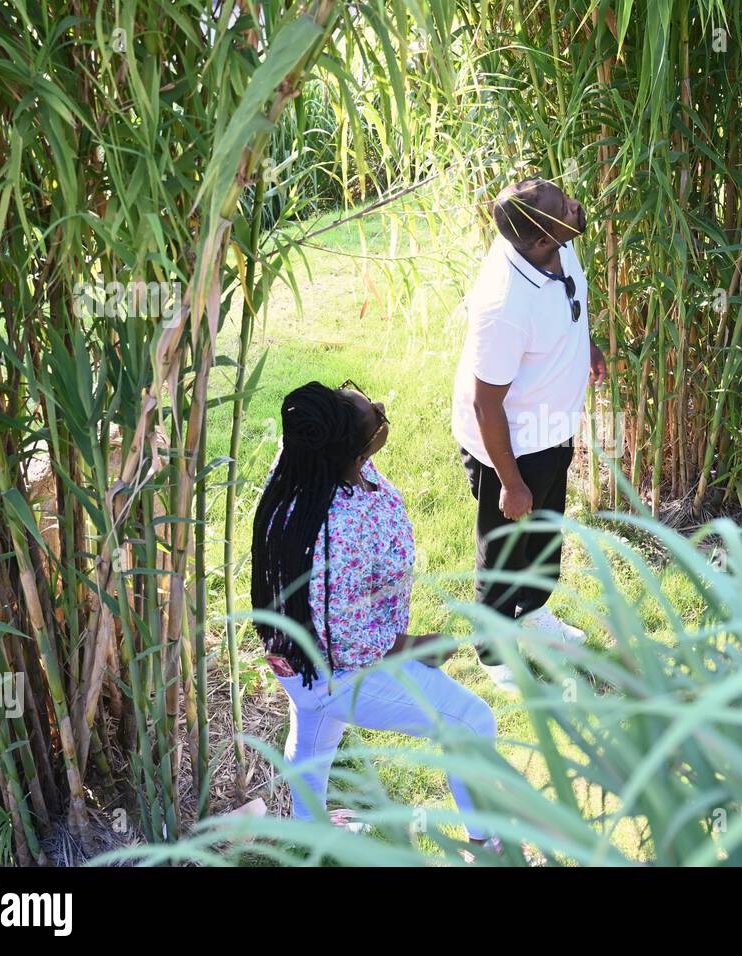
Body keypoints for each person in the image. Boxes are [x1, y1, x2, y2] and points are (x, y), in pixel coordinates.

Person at [251, 380, 499, 848]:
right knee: (470, 722)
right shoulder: (337, 526)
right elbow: (350, 638)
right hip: (336, 669)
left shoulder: (308, 463)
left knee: (317, 735)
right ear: (357, 453)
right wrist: (417, 646)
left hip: (297, 658)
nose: (380, 404)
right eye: (374, 417)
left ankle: (308, 828)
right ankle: (487, 845)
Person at [451, 178, 608, 692]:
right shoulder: (504, 305)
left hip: (554, 428)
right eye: (564, 205)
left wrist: (585, 345)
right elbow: (486, 403)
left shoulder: (555, 241)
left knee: (543, 532)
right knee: (504, 548)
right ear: (540, 238)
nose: (574, 203)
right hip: (512, 444)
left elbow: (568, 302)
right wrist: (511, 481)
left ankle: (533, 611)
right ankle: (495, 652)